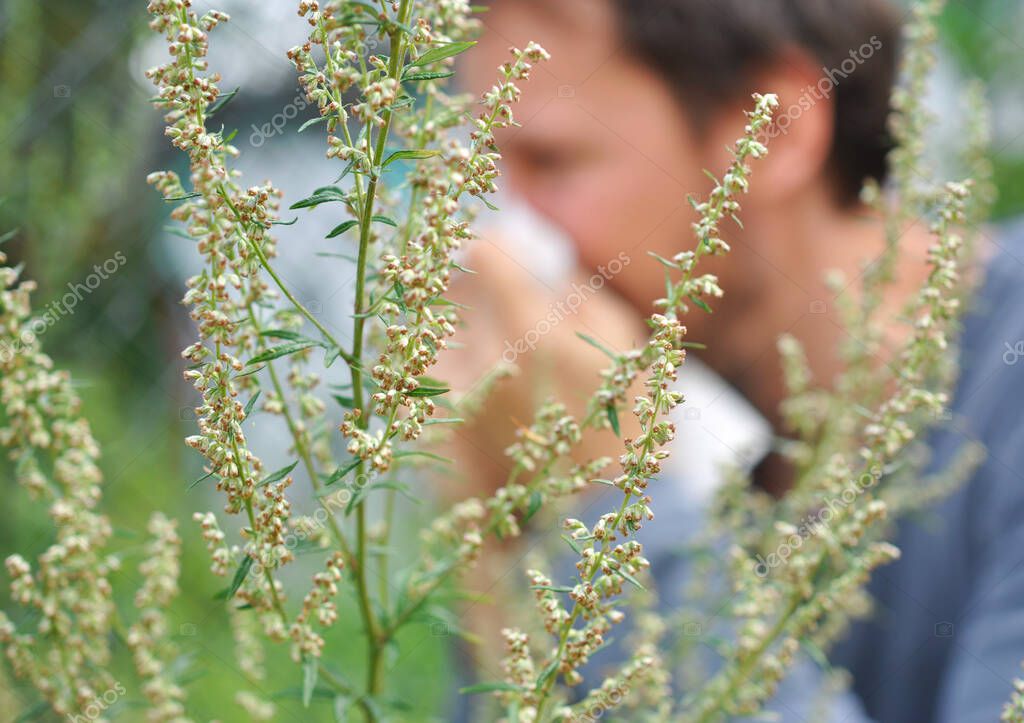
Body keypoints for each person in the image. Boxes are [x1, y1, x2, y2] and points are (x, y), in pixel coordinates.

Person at [438, 1, 1024, 720]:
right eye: (486, 173)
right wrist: (506, 554)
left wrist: (610, 513)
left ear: (772, 132)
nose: (493, 247)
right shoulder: (702, 416)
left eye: (550, 163)